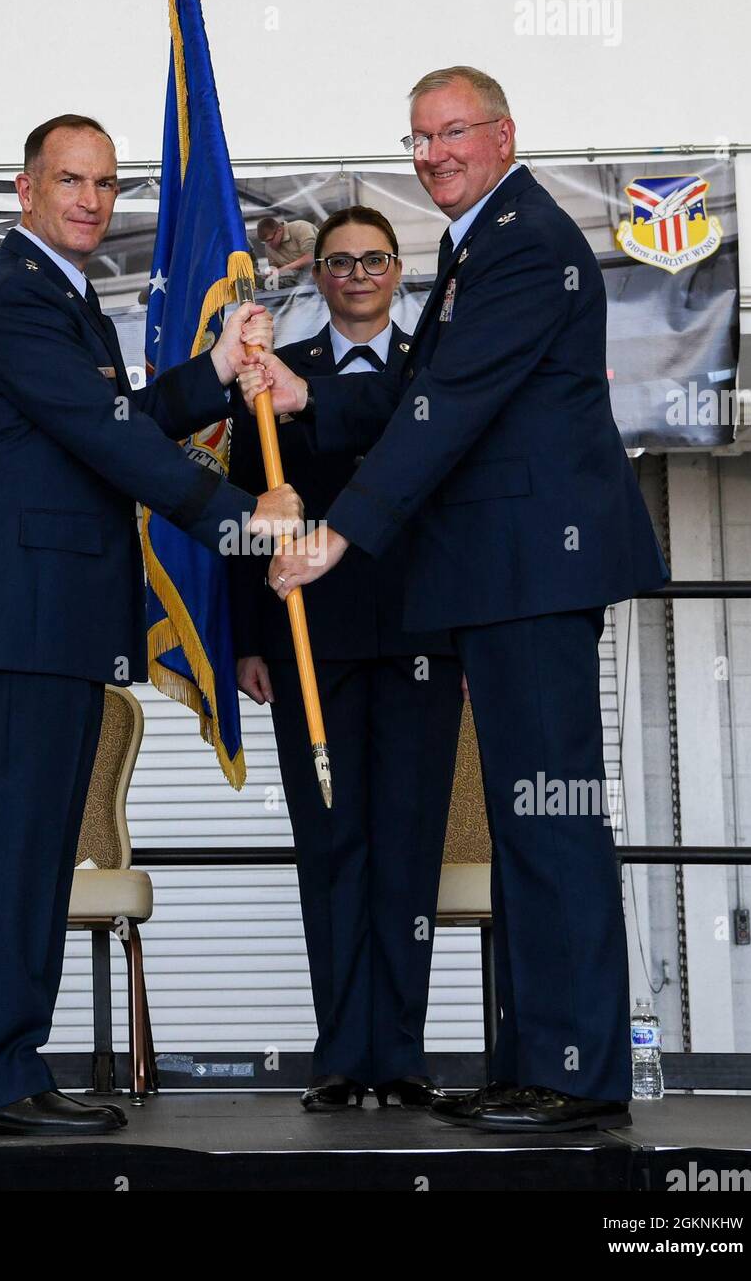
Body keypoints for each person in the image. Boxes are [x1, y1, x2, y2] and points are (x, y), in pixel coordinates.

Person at [239, 67, 670, 1133]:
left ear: (502, 133)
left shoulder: (520, 239)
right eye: (419, 138)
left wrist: (338, 533)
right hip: (504, 577)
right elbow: (417, 388)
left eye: (452, 133)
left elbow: (446, 408)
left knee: (549, 820)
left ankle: (573, 1073)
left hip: (532, 570)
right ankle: (540, 1061)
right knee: (530, 822)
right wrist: (310, 393)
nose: (432, 153)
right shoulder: (477, 245)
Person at [0, 114, 301, 1137]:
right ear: (26, 188)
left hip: (51, 625)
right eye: (70, 180)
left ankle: (7, 1068)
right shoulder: (13, 299)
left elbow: (118, 415)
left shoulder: (63, 295)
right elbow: (109, 441)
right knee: (8, 855)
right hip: (14, 624)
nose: (90, 199)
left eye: (104, 183)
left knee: (36, 855)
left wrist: (215, 370)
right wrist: (242, 524)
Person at [229, 206, 461, 1112]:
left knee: (407, 851)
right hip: (307, 641)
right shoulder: (276, 379)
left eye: (374, 259)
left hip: (420, 638)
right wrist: (249, 636)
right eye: (339, 261)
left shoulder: (435, 369)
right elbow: (258, 506)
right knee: (331, 848)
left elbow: (454, 509)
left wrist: (467, 631)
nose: (358, 273)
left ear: (398, 271)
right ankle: (339, 1052)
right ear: (317, 276)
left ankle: (399, 1053)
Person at [255, 214, 317, 285]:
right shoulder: (268, 245)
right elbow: (275, 268)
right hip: (298, 279)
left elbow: (311, 257)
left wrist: (282, 270)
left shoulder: (300, 227)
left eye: (270, 240)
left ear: (279, 230)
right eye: (265, 242)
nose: (268, 244)